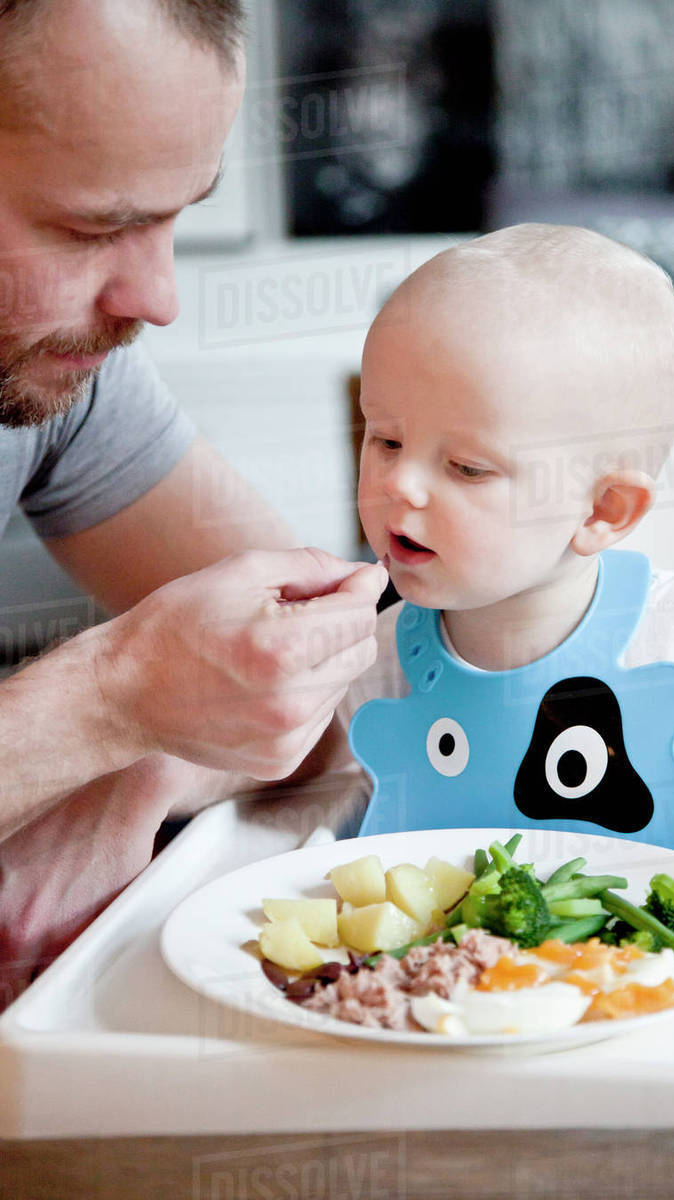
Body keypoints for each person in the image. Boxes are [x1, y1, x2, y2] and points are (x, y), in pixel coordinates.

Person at [0, 0, 386, 1001]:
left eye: (179, 214)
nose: (158, 296)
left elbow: (350, 659)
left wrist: (147, 761)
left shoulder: (55, 374)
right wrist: (106, 698)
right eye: (95, 226)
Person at [333, 223, 674, 893]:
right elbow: (281, 822)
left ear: (603, 511)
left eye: (466, 467)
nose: (399, 484)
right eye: (385, 440)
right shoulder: (367, 666)